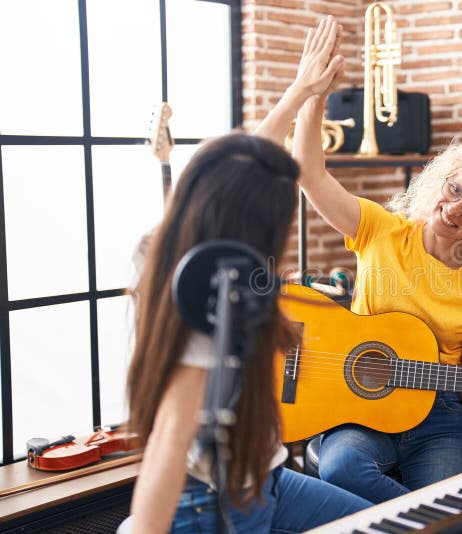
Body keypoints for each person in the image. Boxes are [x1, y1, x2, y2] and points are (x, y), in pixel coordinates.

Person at [290, 16, 462, 505]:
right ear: (442, 179)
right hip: (360, 404)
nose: (453, 209)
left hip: (436, 415)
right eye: (454, 189)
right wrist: (313, 93)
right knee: (341, 466)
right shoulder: (379, 230)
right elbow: (310, 174)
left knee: (452, 504)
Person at [125, 16, 371, 533]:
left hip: (269, 475)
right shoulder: (200, 290)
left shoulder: (180, 237)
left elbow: (239, 169)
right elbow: (172, 433)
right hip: (215, 499)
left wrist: (304, 91)